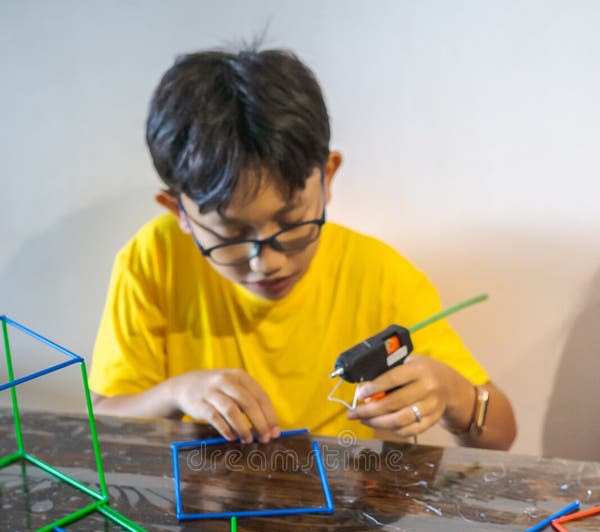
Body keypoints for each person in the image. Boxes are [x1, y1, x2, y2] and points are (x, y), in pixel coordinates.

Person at [89, 46, 516, 450]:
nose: (267, 262)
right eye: (232, 235)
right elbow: (105, 421)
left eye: (292, 224)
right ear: (177, 210)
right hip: (209, 502)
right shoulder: (153, 261)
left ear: (327, 178)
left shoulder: (381, 277)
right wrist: (177, 393)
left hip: (347, 508)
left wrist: (453, 393)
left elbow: (501, 435)